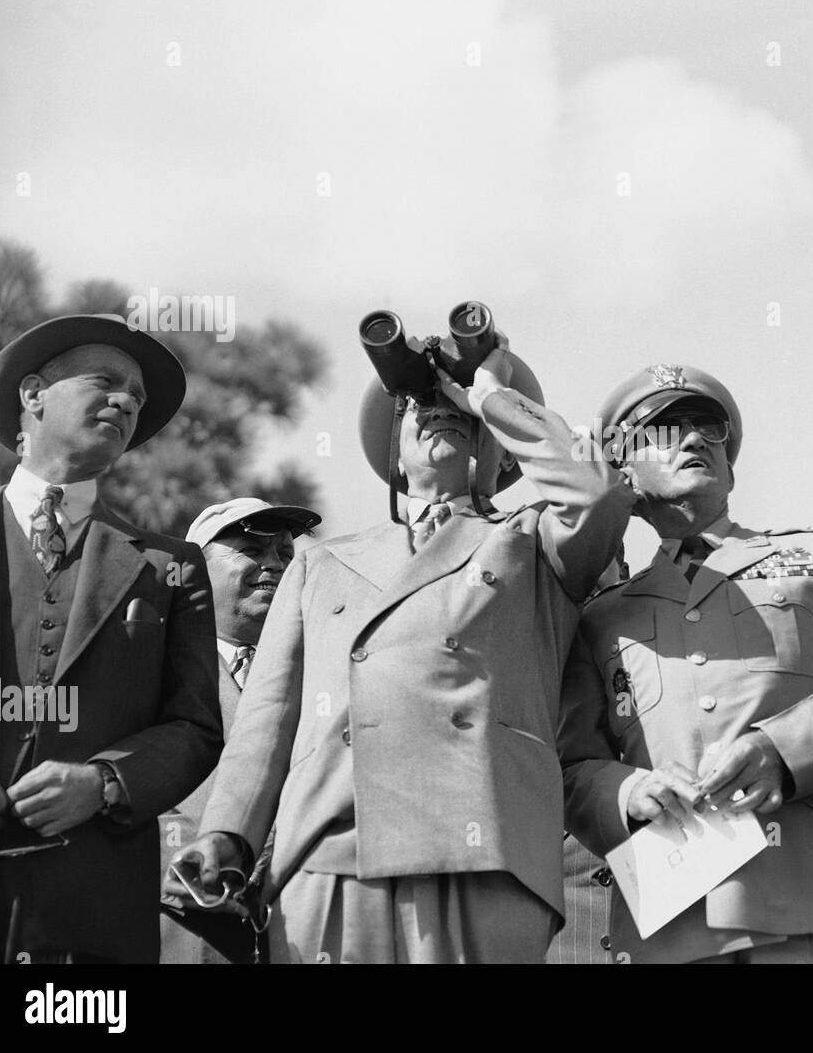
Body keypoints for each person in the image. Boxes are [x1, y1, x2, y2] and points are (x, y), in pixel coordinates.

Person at [166, 337, 632, 963]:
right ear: (393, 449)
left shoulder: (535, 543)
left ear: (498, 449)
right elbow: (267, 720)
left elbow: (600, 495)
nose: (438, 411)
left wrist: (493, 395)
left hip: (483, 851)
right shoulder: (320, 562)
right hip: (332, 856)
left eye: (458, 411)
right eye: (417, 404)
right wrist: (228, 833)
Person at [559, 365, 813, 963]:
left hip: (810, 910)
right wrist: (629, 793)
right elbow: (573, 765)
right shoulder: (598, 616)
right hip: (667, 927)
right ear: (621, 467)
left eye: (709, 428)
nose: (696, 440)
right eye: (666, 431)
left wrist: (782, 751)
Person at [0, 313, 222, 963]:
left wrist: (104, 781)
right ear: (33, 395)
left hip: (96, 921)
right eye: (105, 380)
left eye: (137, 398)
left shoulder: (173, 565)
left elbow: (195, 728)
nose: (126, 401)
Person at [158, 496, 320, 963]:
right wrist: (195, 862)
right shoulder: (148, 668)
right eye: (251, 548)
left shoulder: (327, 677)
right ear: (192, 568)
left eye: (285, 554)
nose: (274, 564)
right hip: (184, 932)